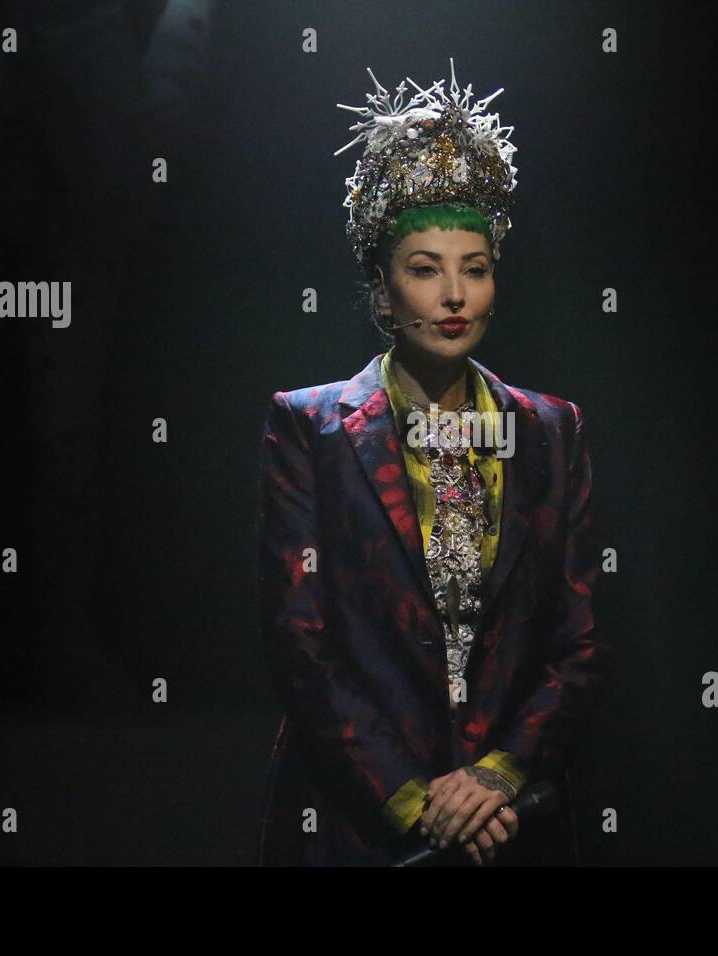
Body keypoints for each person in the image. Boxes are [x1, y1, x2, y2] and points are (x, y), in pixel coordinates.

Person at [256, 60, 608, 866]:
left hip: (510, 823)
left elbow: (581, 641)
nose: (454, 294)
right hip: (357, 824)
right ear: (382, 292)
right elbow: (299, 642)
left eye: (474, 269)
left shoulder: (552, 431)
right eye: (424, 269)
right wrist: (415, 798)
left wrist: (494, 777)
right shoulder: (310, 426)